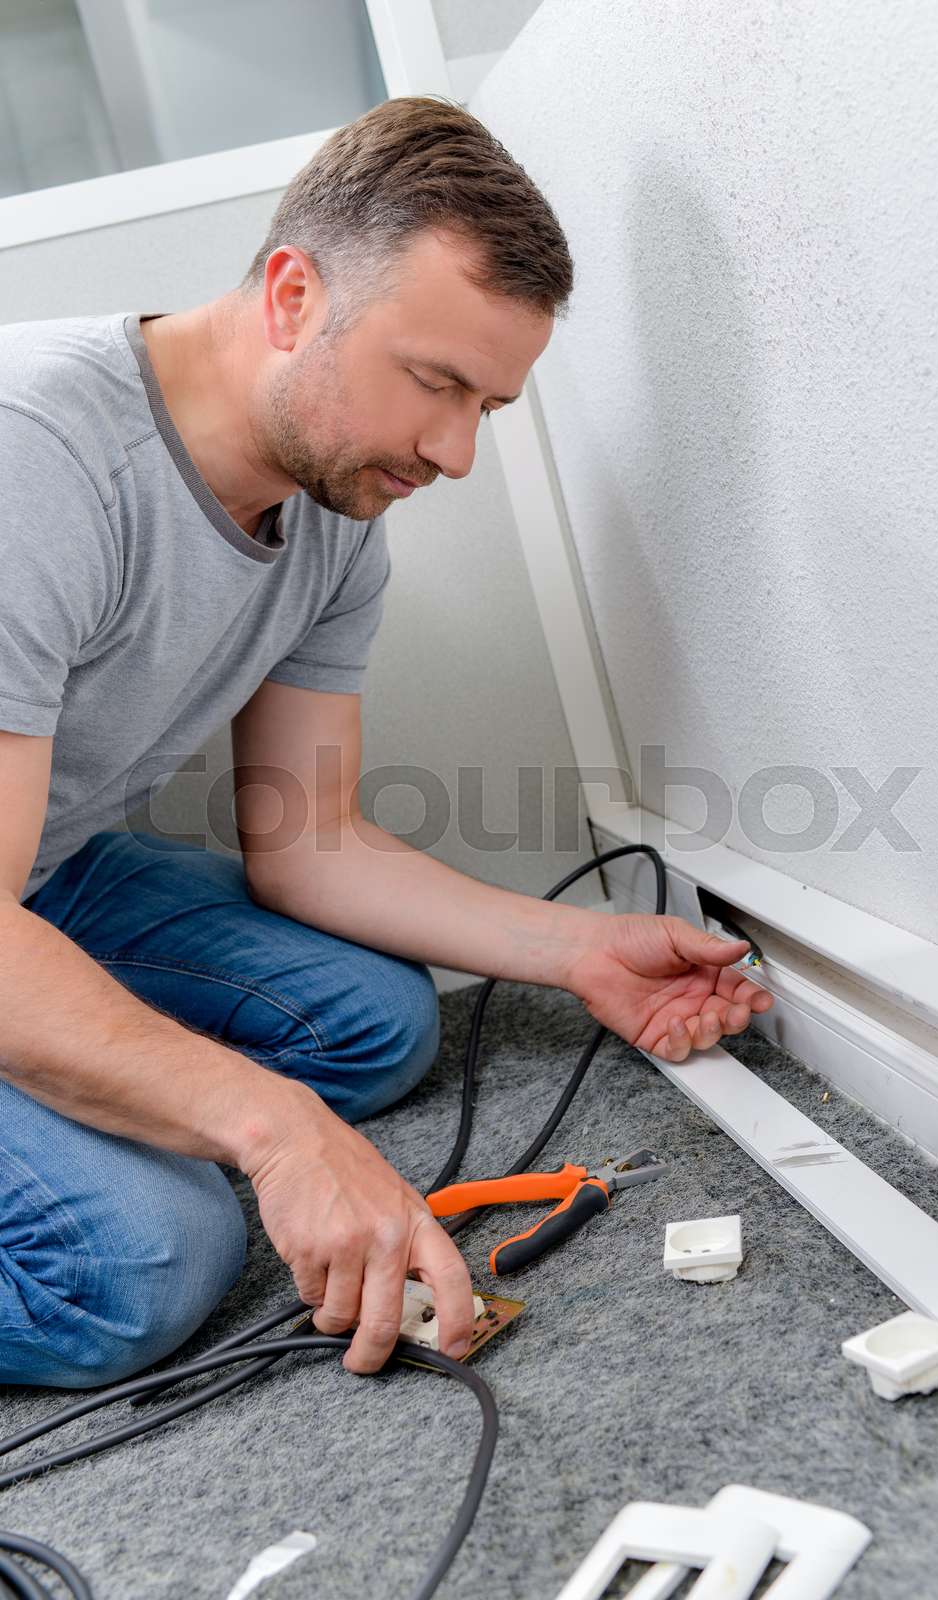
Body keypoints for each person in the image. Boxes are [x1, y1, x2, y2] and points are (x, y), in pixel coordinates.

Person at [0, 98, 772, 1391]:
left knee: (367, 1028)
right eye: (434, 384)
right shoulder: (38, 463)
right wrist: (270, 1131)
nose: (456, 451)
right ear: (294, 295)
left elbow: (312, 844)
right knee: (133, 1265)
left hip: (42, 864)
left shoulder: (336, 502)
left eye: (490, 404)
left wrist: (579, 951)